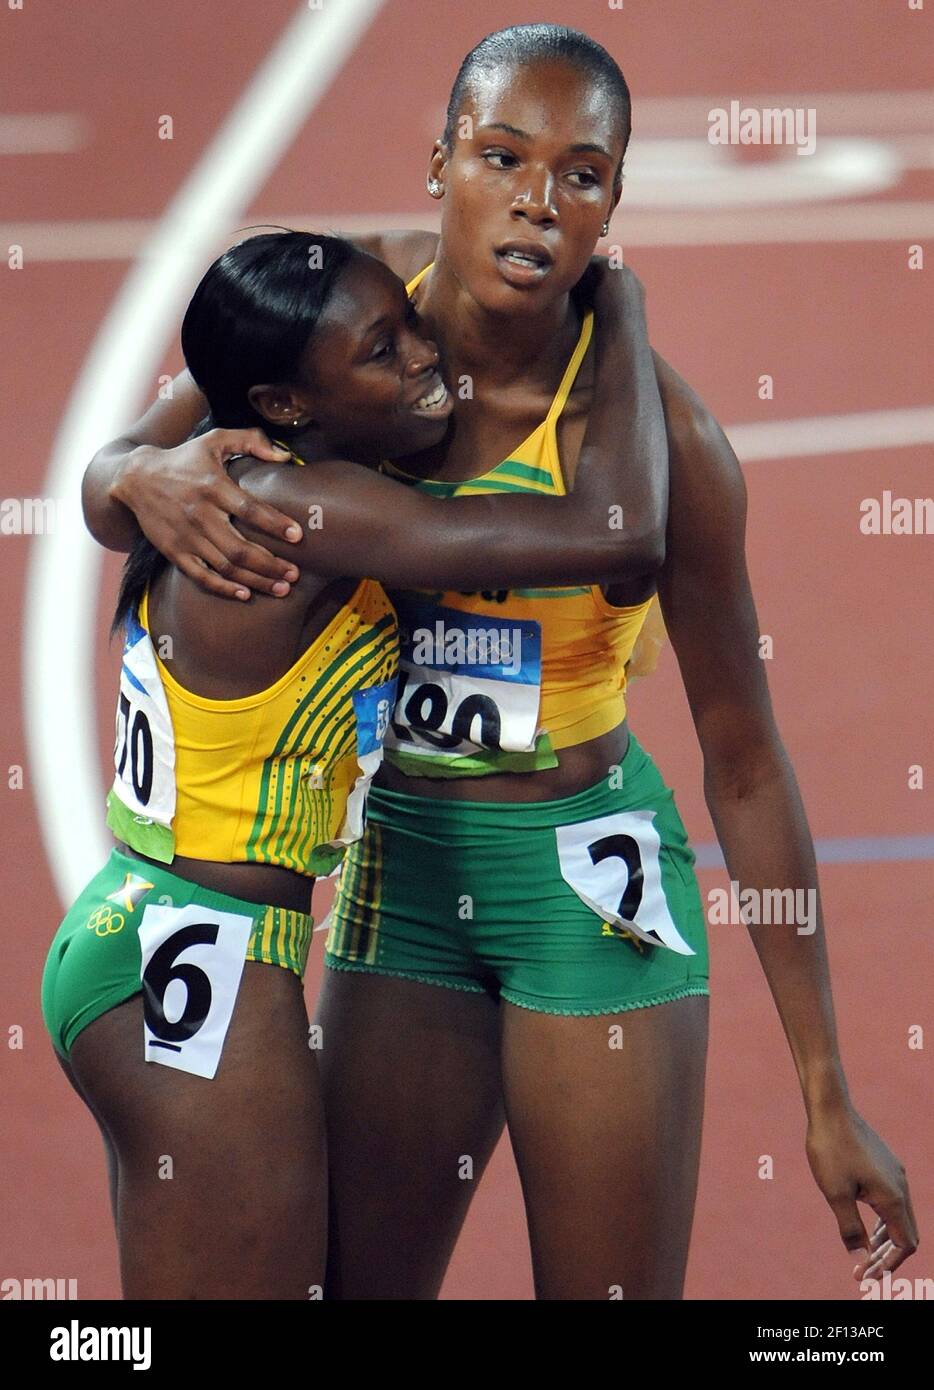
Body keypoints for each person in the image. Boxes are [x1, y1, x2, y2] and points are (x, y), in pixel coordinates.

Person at [81, 25, 917, 1301]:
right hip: (402, 876)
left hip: (585, 891)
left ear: (614, 203)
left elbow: (742, 761)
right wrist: (134, 471)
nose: (537, 198)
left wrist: (824, 1088)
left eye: (582, 174)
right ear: (440, 163)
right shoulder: (348, 327)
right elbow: (120, 469)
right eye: (502, 155)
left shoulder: (666, 445)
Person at [43, 225, 668, 1298]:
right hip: (211, 965)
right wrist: (618, 316)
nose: (423, 356)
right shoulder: (303, 509)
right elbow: (613, 534)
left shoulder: (226, 451)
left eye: (412, 323)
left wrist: (128, 467)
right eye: (382, 350)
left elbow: (126, 457)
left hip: (143, 934)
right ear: (287, 401)